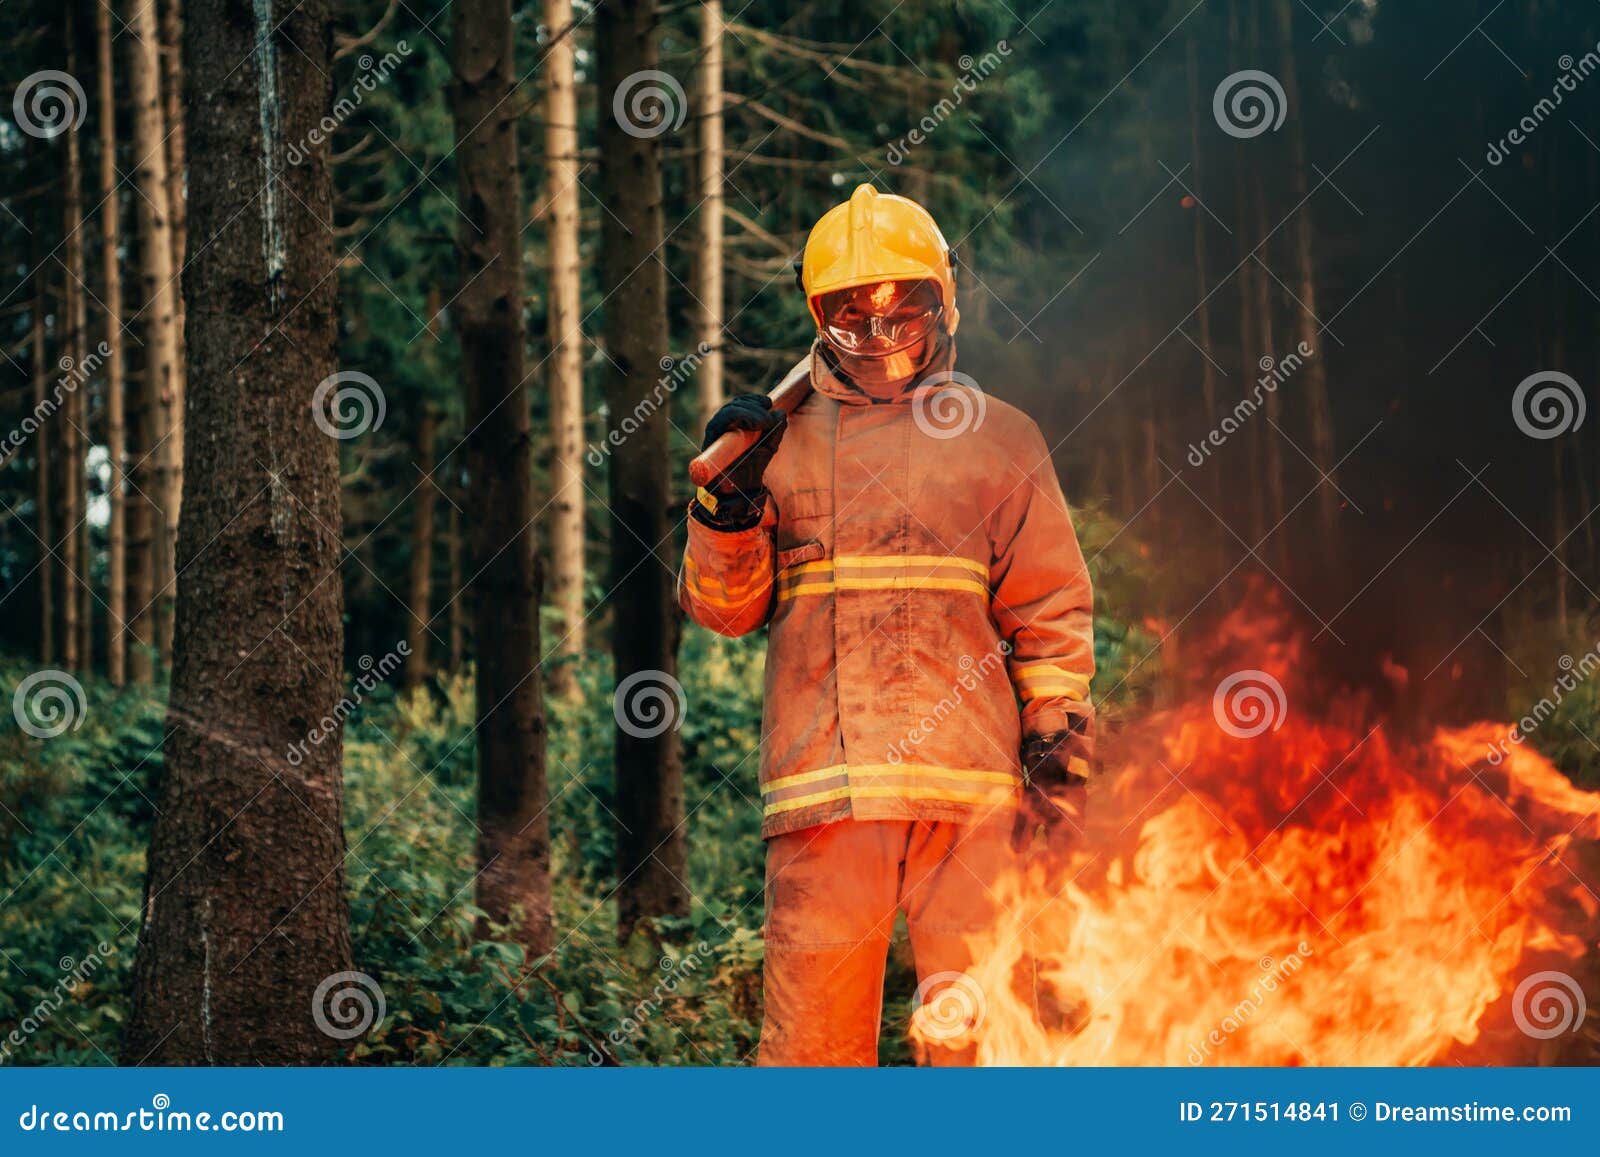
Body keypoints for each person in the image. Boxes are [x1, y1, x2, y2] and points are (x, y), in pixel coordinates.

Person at [678, 183, 1095, 1066]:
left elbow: (1050, 609)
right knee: (811, 1063)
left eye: (902, 313)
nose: (881, 336)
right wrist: (728, 512)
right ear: (819, 317)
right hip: (826, 801)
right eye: (854, 320)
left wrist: (1058, 739)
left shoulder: (1000, 440)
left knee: (983, 1052)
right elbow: (724, 612)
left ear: (942, 302)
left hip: (968, 799)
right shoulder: (771, 448)